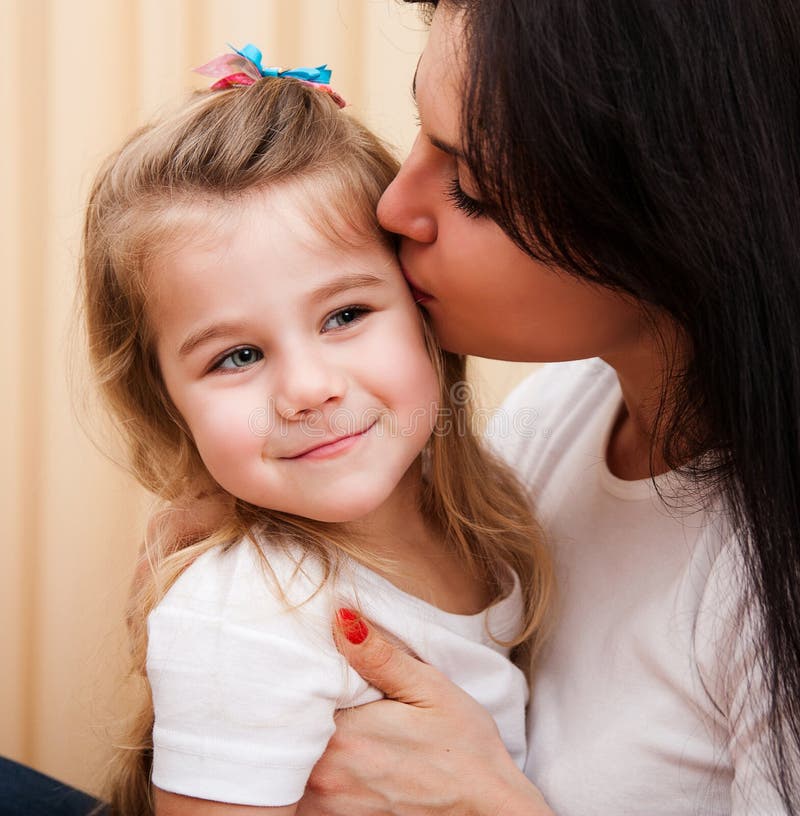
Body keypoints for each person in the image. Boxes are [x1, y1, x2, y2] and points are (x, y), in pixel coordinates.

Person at [295, 1, 800, 815]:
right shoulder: (558, 412)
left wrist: (488, 805)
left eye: (469, 186)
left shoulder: (764, 575)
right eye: (420, 131)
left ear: (677, 212)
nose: (395, 208)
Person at [77, 45, 552, 815]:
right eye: (237, 356)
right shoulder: (245, 618)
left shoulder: (483, 515)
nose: (307, 389)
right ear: (166, 402)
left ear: (423, 310)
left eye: (345, 315)